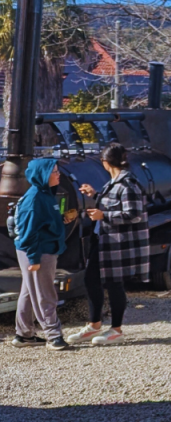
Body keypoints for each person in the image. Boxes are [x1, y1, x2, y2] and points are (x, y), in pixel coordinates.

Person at [75, 142, 148, 346]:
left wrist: (103, 215)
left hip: (117, 243)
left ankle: (116, 329)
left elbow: (134, 214)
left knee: (115, 284)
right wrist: (95, 195)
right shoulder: (116, 181)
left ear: (105, 162)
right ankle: (94, 325)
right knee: (91, 279)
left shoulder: (128, 184)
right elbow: (116, 204)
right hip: (104, 239)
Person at [9, 159, 71, 350]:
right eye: (54, 172)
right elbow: (28, 234)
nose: (58, 174)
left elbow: (42, 223)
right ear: (42, 175)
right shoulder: (34, 199)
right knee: (45, 293)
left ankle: (24, 335)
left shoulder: (46, 194)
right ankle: (53, 335)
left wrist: (62, 219)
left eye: (58, 171)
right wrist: (34, 259)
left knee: (29, 292)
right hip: (38, 252)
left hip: (42, 250)